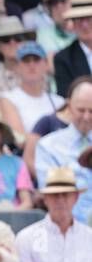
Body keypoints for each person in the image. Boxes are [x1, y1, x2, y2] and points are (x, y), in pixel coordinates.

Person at [17, 166, 92, 262]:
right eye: (55, 195)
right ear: (45, 198)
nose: (60, 200)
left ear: (75, 197)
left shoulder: (89, 237)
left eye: (65, 195)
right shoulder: (26, 238)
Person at [36, 77, 92, 223]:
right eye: (81, 110)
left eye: (91, 111)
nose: (86, 117)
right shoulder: (48, 146)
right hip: (66, 227)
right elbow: (50, 194)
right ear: (69, 106)